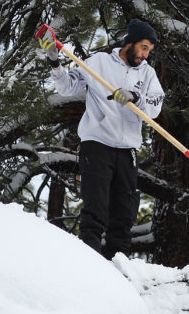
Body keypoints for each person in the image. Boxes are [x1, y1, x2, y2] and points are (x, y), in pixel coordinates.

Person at [42, 19, 165, 258]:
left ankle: (116, 267)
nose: (145, 55)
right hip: (97, 145)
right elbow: (67, 87)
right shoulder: (98, 62)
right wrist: (55, 63)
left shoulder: (147, 73)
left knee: (124, 214)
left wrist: (135, 97)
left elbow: (155, 106)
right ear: (130, 42)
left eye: (149, 50)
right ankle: (91, 264)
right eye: (144, 47)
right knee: (96, 208)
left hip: (127, 151)